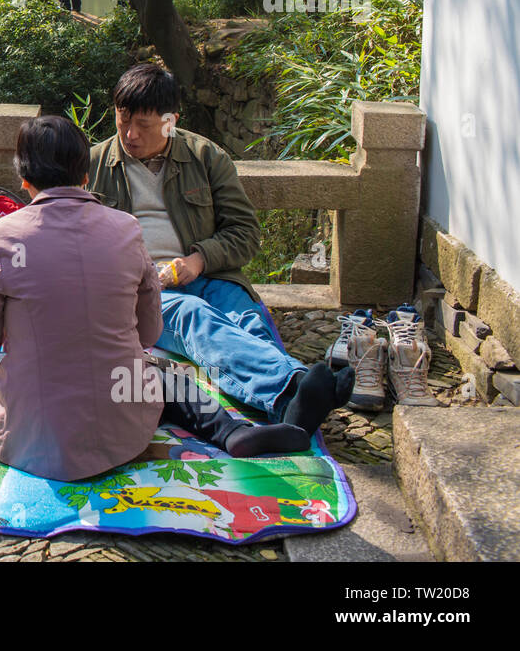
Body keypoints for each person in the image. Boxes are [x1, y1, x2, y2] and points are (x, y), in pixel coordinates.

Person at [0, 115, 311, 482]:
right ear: (85, 177)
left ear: (24, 179)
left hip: (32, 438)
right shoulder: (126, 229)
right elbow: (147, 334)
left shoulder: (1, 238)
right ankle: (232, 433)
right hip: (122, 432)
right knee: (167, 377)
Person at [86, 63, 354, 434]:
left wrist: (198, 260)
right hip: (142, 288)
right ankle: (293, 387)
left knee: (248, 324)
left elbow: (245, 233)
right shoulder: (93, 165)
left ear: (169, 122)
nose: (129, 135)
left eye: (143, 126)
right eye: (122, 121)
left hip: (210, 275)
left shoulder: (207, 157)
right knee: (192, 315)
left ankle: (291, 412)